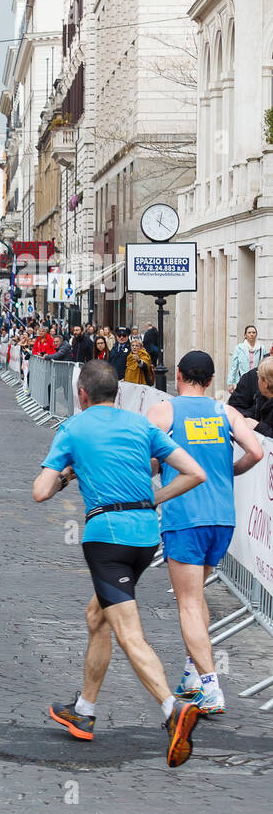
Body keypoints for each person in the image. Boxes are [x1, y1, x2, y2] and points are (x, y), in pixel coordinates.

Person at [33, 359, 207, 767]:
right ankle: (84, 710)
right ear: (120, 393)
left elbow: (40, 492)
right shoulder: (142, 425)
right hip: (146, 537)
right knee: (98, 616)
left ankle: (171, 709)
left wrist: (66, 476)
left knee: (129, 633)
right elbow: (194, 472)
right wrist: (152, 500)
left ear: (81, 395)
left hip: (106, 539)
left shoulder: (73, 428)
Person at [146, 351, 264, 717]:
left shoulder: (166, 410)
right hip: (221, 518)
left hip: (185, 515)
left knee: (189, 603)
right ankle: (191, 680)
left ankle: (211, 688)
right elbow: (257, 452)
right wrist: (229, 471)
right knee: (197, 599)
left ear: (178, 375)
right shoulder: (225, 412)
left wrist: (155, 474)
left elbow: (137, 453)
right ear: (211, 381)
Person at [227, 324, 263, 393]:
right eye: (249, 333)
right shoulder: (239, 348)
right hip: (242, 380)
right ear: (245, 335)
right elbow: (233, 366)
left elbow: (263, 365)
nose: (251, 334)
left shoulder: (261, 348)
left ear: (256, 334)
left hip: (256, 381)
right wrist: (230, 383)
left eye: (253, 332)